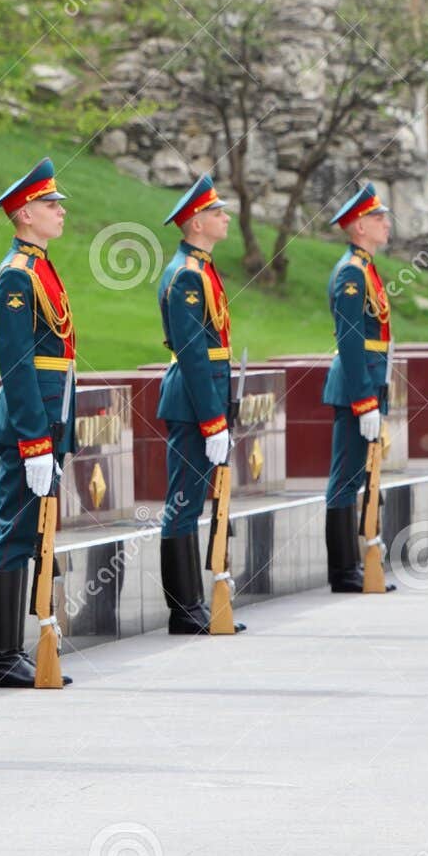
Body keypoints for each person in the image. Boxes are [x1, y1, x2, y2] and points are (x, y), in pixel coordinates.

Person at [0, 158, 75, 686]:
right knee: (15, 533)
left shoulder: (39, 266)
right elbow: (16, 362)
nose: (60, 212)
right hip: (28, 425)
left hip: (47, 422)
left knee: (34, 533)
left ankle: (15, 650)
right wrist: (35, 441)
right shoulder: (18, 274)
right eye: (50, 205)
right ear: (24, 214)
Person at [155, 173, 244, 633]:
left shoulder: (201, 269)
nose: (226, 217)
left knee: (193, 501)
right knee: (184, 503)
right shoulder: (187, 276)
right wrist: (212, 420)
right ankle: (184, 608)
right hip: (193, 402)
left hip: (204, 398)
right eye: (216, 212)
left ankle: (193, 605)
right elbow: (191, 352)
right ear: (194, 223)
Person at [323, 183, 395, 593]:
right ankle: (343, 570)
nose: (387, 224)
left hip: (367, 383)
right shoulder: (352, 271)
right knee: (345, 478)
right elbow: (350, 338)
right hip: (356, 386)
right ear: (360, 226)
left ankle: (352, 566)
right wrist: (365, 400)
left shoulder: (364, 267)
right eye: (379, 218)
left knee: (356, 476)